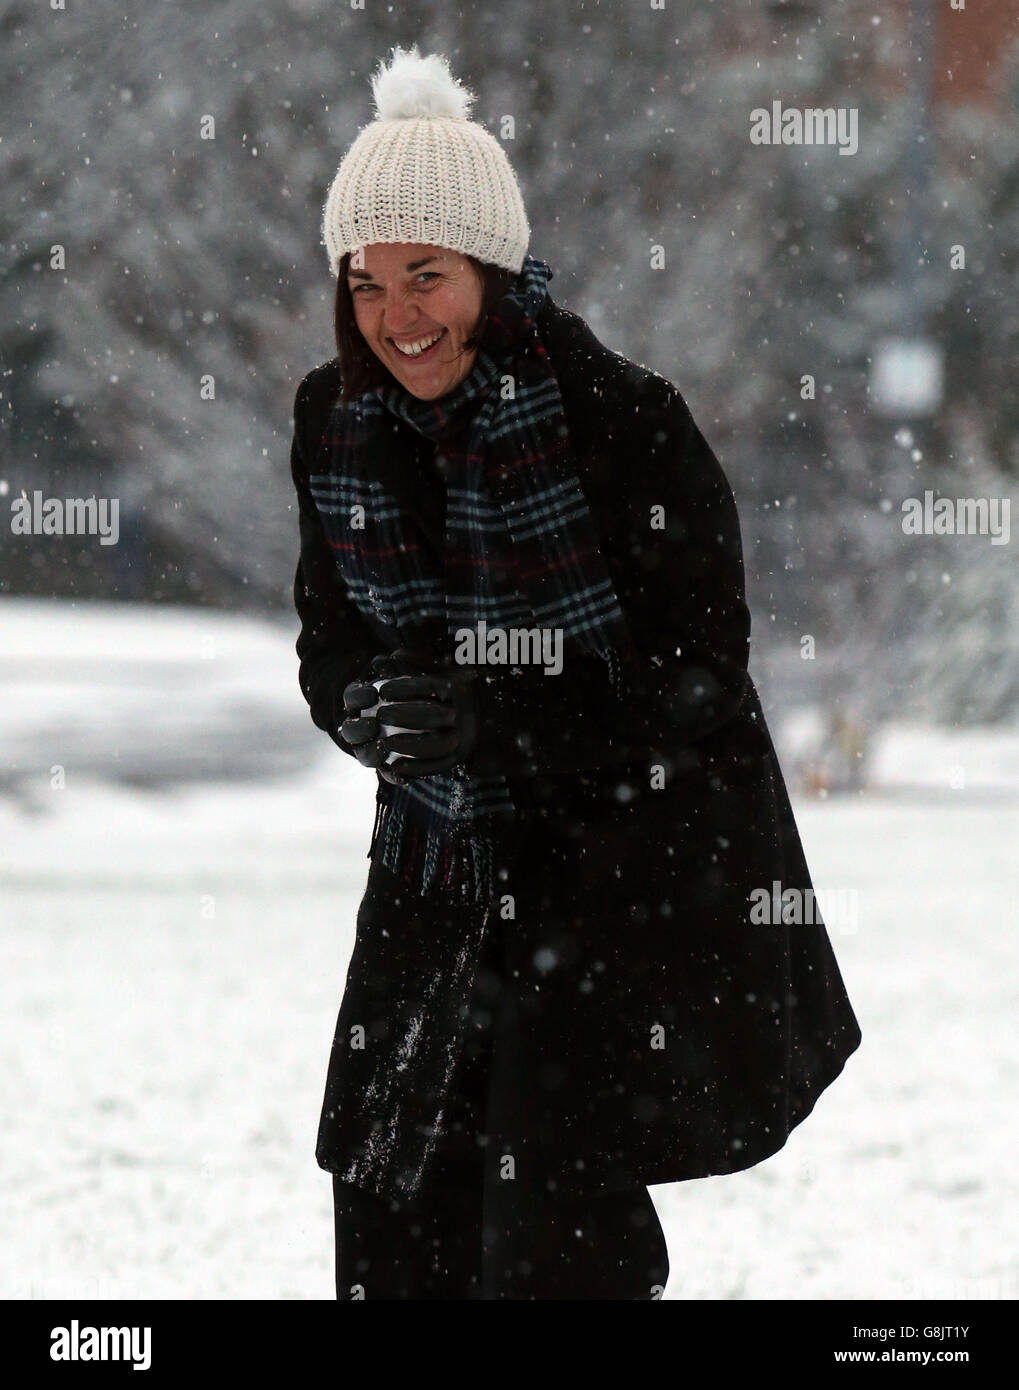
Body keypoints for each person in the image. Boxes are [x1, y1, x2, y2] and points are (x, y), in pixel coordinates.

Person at [289, 43, 862, 1300]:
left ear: (491, 271)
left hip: (608, 879)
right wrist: (361, 708)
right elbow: (328, 638)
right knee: (391, 1199)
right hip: (431, 870)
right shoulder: (330, 420)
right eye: (367, 282)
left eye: (425, 276)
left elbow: (699, 675)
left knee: (550, 1229)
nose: (397, 316)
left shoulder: (622, 418)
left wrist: (498, 716)